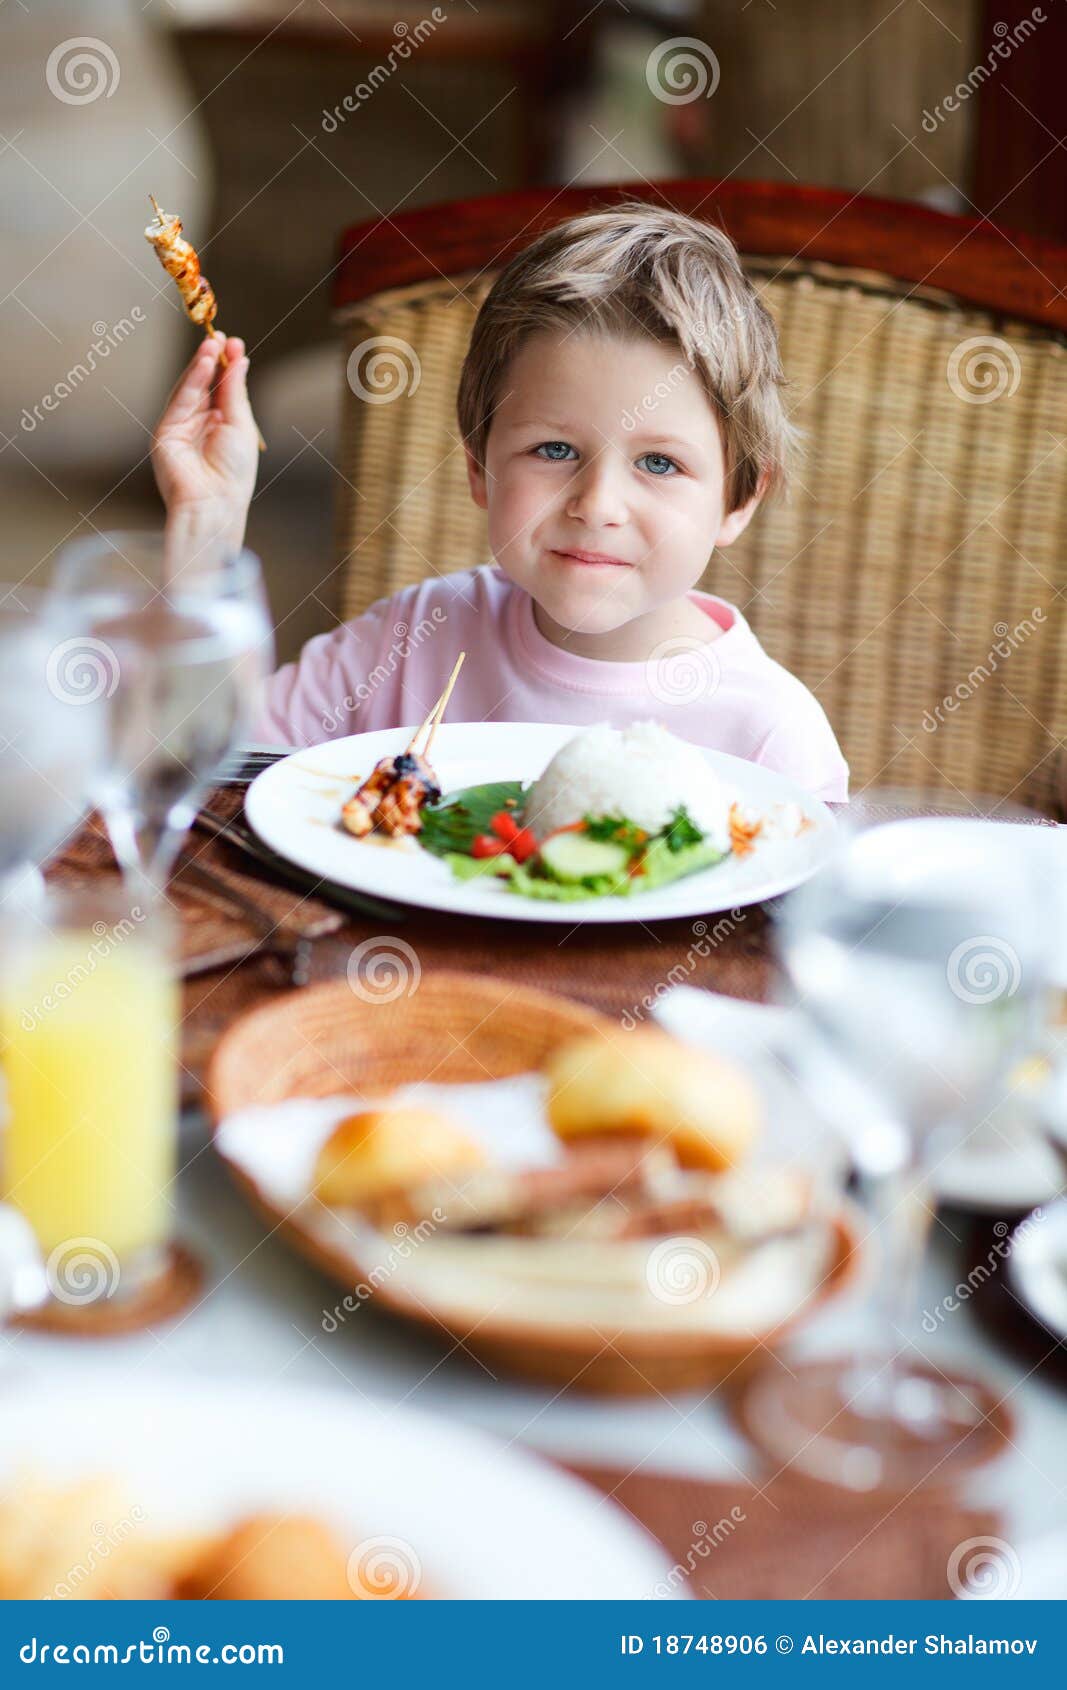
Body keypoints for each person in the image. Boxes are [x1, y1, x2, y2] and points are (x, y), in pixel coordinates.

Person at [152, 203, 849, 800]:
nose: (597, 504)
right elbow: (215, 766)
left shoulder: (769, 739)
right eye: (554, 451)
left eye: (659, 463)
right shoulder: (409, 641)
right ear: (480, 468)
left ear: (738, 499)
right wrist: (206, 529)